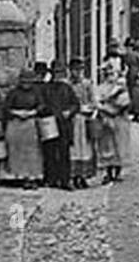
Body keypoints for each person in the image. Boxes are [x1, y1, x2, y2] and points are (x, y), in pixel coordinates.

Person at [40, 61, 80, 189]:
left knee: (64, 153)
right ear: (51, 73)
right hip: (50, 124)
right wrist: (49, 111)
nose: (58, 75)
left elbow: (76, 104)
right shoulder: (46, 88)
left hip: (64, 124)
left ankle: (65, 180)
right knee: (50, 152)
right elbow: (41, 104)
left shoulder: (67, 88)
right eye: (56, 72)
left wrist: (70, 111)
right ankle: (51, 179)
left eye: (60, 73)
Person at [1, 68, 44, 185]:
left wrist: (33, 112)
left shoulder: (36, 92)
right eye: (24, 82)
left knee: (32, 151)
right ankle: (19, 176)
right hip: (16, 123)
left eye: (28, 82)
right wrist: (16, 112)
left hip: (30, 123)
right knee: (16, 150)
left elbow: (41, 105)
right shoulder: (13, 93)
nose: (26, 84)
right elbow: (5, 108)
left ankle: (32, 176)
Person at [68, 57, 97, 187]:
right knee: (74, 148)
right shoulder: (67, 85)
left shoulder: (87, 84)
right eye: (74, 70)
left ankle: (84, 176)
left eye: (79, 70)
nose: (77, 73)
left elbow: (93, 102)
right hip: (73, 120)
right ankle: (74, 176)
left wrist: (89, 108)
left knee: (85, 147)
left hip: (84, 119)